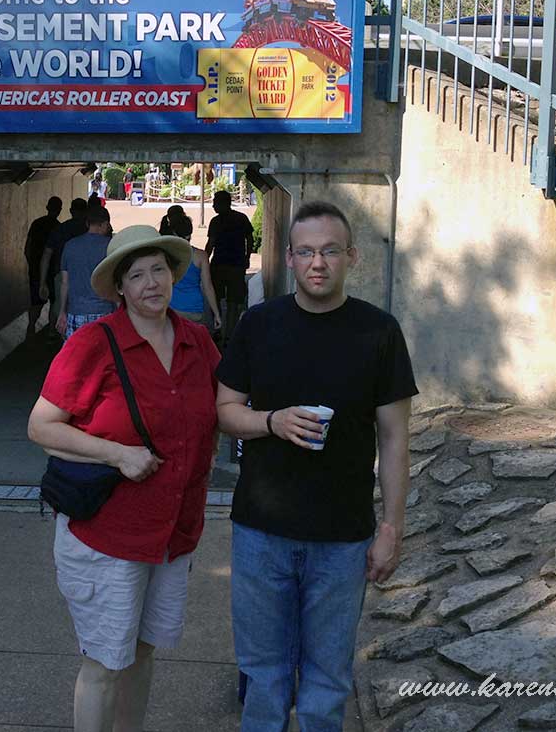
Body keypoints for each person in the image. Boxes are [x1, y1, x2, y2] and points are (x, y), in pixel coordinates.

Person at [214, 200, 418, 732]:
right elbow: (225, 411)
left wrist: (391, 528)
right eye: (305, 252)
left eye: (330, 251)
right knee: (264, 676)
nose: (317, 263)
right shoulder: (259, 325)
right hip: (261, 533)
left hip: (343, 540)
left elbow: (395, 438)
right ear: (289, 257)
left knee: (328, 681)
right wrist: (272, 421)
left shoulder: (379, 332)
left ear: (351, 256)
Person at [28, 225, 222, 732]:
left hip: (173, 534)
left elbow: (224, 410)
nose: (151, 283)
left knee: (142, 652)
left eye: (159, 269)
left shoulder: (197, 341)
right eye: (136, 275)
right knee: (104, 664)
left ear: (174, 275)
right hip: (108, 536)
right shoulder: (93, 343)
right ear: (119, 288)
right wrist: (118, 454)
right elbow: (41, 427)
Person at [56, 205, 115, 339]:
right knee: (104, 351)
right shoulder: (110, 247)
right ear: (105, 224)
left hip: (76, 313)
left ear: (87, 223)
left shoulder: (70, 245)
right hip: (104, 312)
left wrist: (62, 312)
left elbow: (65, 283)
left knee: (77, 352)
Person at [205, 189, 254, 345]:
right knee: (234, 301)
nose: (213, 206)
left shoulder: (215, 222)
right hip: (237, 265)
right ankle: (230, 334)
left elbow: (210, 244)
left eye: (215, 203)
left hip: (218, 265)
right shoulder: (241, 218)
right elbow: (250, 239)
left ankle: (218, 329)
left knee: (216, 299)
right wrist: (247, 257)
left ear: (223, 203)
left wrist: (203, 262)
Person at [165, 213, 221, 334]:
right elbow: (208, 286)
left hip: (172, 308)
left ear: (174, 232)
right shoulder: (201, 256)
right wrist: (216, 313)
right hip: (194, 308)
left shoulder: (168, 254)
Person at [40, 199, 90, 328]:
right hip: (85, 276)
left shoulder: (60, 229)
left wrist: (42, 281)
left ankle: (53, 331)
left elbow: (46, 254)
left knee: (58, 306)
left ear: (71, 211)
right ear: (86, 212)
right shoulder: (89, 230)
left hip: (61, 274)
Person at [24, 196, 63, 340]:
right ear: (60, 210)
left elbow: (27, 248)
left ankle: (31, 327)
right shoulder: (59, 228)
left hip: (35, 269)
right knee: (54, 301)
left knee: (36, 302)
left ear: (47, 207)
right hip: (52, 271)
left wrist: (32, 265)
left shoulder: (36, 224)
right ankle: (51, 330)